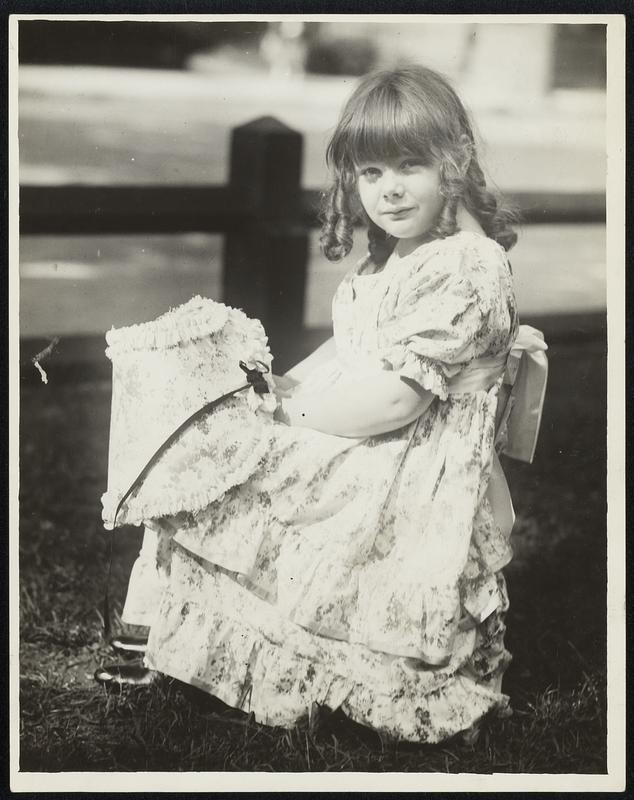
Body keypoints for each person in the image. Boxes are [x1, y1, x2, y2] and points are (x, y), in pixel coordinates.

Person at [96, 65, 548, 744]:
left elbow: (398, 400)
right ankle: (167, 633)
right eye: (372, 172)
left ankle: (243, 653)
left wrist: (291, 417)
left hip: (406, 462)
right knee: (215, 438)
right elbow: (351, 349)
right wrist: (281, 388)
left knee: (239, 467)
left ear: (452, 164)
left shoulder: (466, 265)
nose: (390, 188)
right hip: (368, 426)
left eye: (410, 166)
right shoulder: (398, 255)